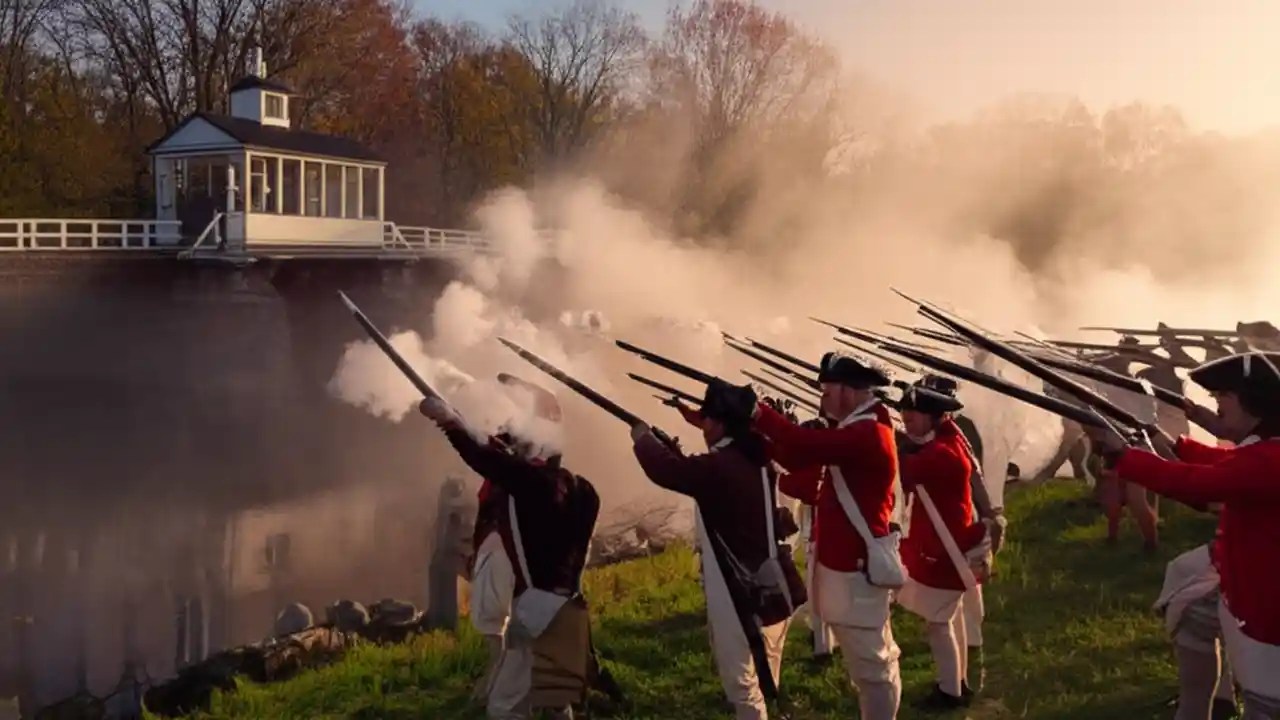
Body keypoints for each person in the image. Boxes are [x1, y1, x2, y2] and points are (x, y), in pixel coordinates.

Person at [1087, 351, 1280, 720]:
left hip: (1265, 606)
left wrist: (1123, 457)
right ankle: (1205, 704)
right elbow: (1223, 464)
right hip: (1245, 582)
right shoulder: (1264, 449)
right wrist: (1165, 441)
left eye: (1224, 394)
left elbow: (1200, 485)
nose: (1215, 403)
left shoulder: (1269, 458)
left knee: (1265, 704)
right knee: (1191, 605)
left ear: (1254, 402)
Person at [420, 385, 600, 720]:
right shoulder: (584, 490)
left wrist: (450, 423)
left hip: (535, 612)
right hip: (569, 606)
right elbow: (499, 460)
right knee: (556, 693)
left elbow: (489, 461)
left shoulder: (532, 485)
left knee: (505, 705)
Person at [630, 380, 805, 720]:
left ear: (721, 424)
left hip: (739, 586)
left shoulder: (723, 464)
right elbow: (701, 480)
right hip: (765, 580)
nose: (704, 424)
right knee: (763, 669)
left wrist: (643, 438)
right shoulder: (748, 458)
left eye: (708, 418)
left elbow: (668, 471)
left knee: (742, 682)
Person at [751, 351, 903, 720]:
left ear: (849, 392)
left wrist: (758, 413)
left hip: (855, 568)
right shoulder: (857, 428)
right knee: (866, 665)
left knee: (874, 667)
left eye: (827, 389)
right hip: (844, 568)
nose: (821, 397)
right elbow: (798, 455)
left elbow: (804, 446)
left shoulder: (866, 433)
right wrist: (755, 435)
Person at [893, 383, 990, 710]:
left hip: (945, 549)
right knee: (950, 618)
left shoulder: (941, 453)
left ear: (934, 417)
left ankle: (950, 692)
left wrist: (893, 446)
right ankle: (957, 683)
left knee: (938, 624)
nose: (906, 417)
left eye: (914, 412)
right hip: (947, 546)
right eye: (905, 411)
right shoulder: (945, 441)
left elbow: (903, 472)